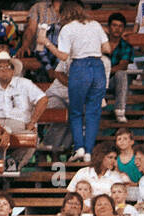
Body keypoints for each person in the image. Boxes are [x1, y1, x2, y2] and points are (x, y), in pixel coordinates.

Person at [38, 1, 111, 163]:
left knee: (76, 112)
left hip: (80, 66)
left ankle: (79, 148)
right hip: (98, 66)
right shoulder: (95, 24)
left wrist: (47, 43)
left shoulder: (68, 28)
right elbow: (107, 49)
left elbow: (63, 56)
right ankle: (88, 152)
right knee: (93, 113)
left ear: (64, 14)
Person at [0, 53, 47, 170]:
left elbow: (43, 99)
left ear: (13, 71)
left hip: (18, 124)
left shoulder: (24, 84)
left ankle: (12, 163)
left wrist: (33, 121)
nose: (4, 70)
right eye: (0, 68)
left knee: (32, 138)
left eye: (7, 67)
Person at [106, 13, 137, 124]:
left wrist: (106, 71)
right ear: (109, 27)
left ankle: (120, 111)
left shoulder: (126, 46)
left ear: (123, 29)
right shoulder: (99, 43)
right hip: (97, 80)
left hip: (114, 81)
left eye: (120, 26)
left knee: (121, 73)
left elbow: (123, 65)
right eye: (114, 25)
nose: (117, 29)